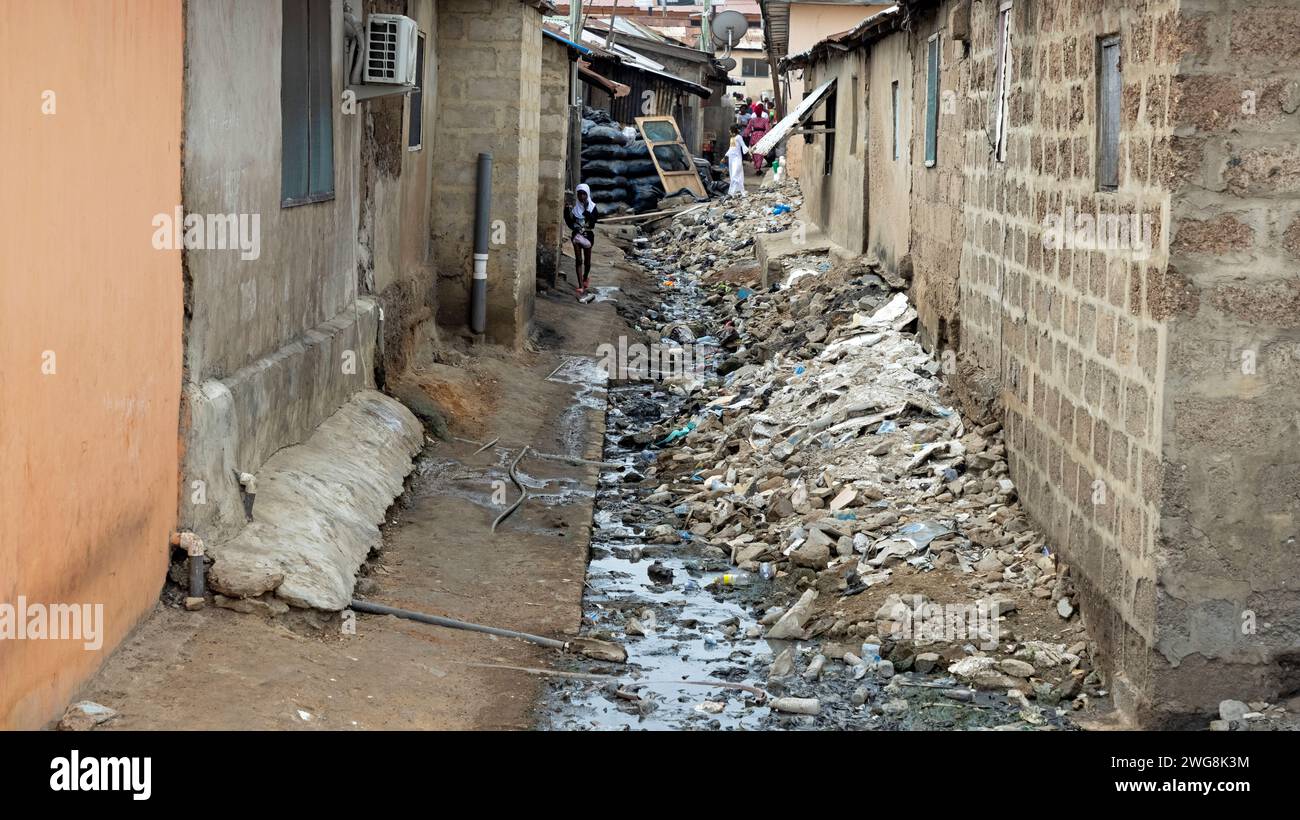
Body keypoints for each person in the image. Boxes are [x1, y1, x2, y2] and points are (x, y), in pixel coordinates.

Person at [564, 183, 598, 298]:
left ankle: (585, 277)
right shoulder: (574, 210)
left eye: (584, 194)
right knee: (579, 260)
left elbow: (592, 224)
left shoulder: (593, 208)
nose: (582, 197)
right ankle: (580, 285)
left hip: (588, 237)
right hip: (577, 236)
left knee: (587, 262)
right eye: (580, 194)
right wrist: (566, 210)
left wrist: (586, 209)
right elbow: (570, 223)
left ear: (587, 194)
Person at [742, 107, 771, 175]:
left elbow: (748, 128)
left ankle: (757, 167)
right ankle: (758, 167)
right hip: (761, 136)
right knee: (760, 153)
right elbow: (767, 129)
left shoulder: (752, 120)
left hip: (754, 137)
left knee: (754, 153)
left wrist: (745, 135)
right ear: (761, 112)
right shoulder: (765, 120)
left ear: (755, 112)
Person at [725, 124, 748, 197]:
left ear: (732, 130)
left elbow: (743, 146)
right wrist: (725, 156)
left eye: (730, 129)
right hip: (731, 159)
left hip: (737, 159)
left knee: (735, 175)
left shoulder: (739, 137)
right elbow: (731, 148)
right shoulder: (732, 138)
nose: (729, 131)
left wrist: (748, 151)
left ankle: (731, 192)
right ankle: (739, 192)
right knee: (733, 175)